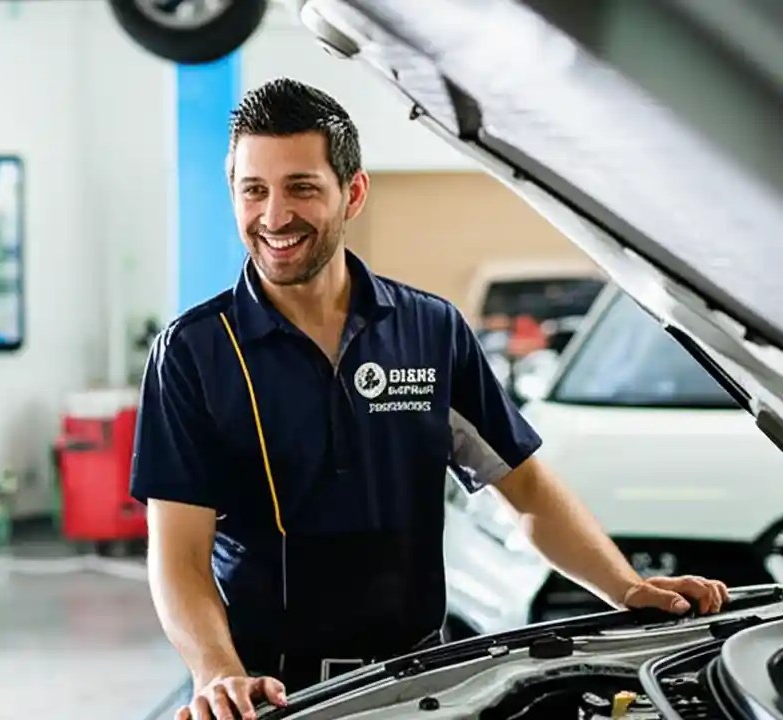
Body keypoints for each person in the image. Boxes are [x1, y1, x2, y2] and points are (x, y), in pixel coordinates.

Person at [129, 78, 731, 720]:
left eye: (301, 187)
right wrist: (217, 672)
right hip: (273, 697)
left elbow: (524, 490)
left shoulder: (430, 332)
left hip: (419, 690)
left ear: (352, 192)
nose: (274, 216)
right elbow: (180, 557)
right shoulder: (194, 353)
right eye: (254, 190)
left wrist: (627, 587)